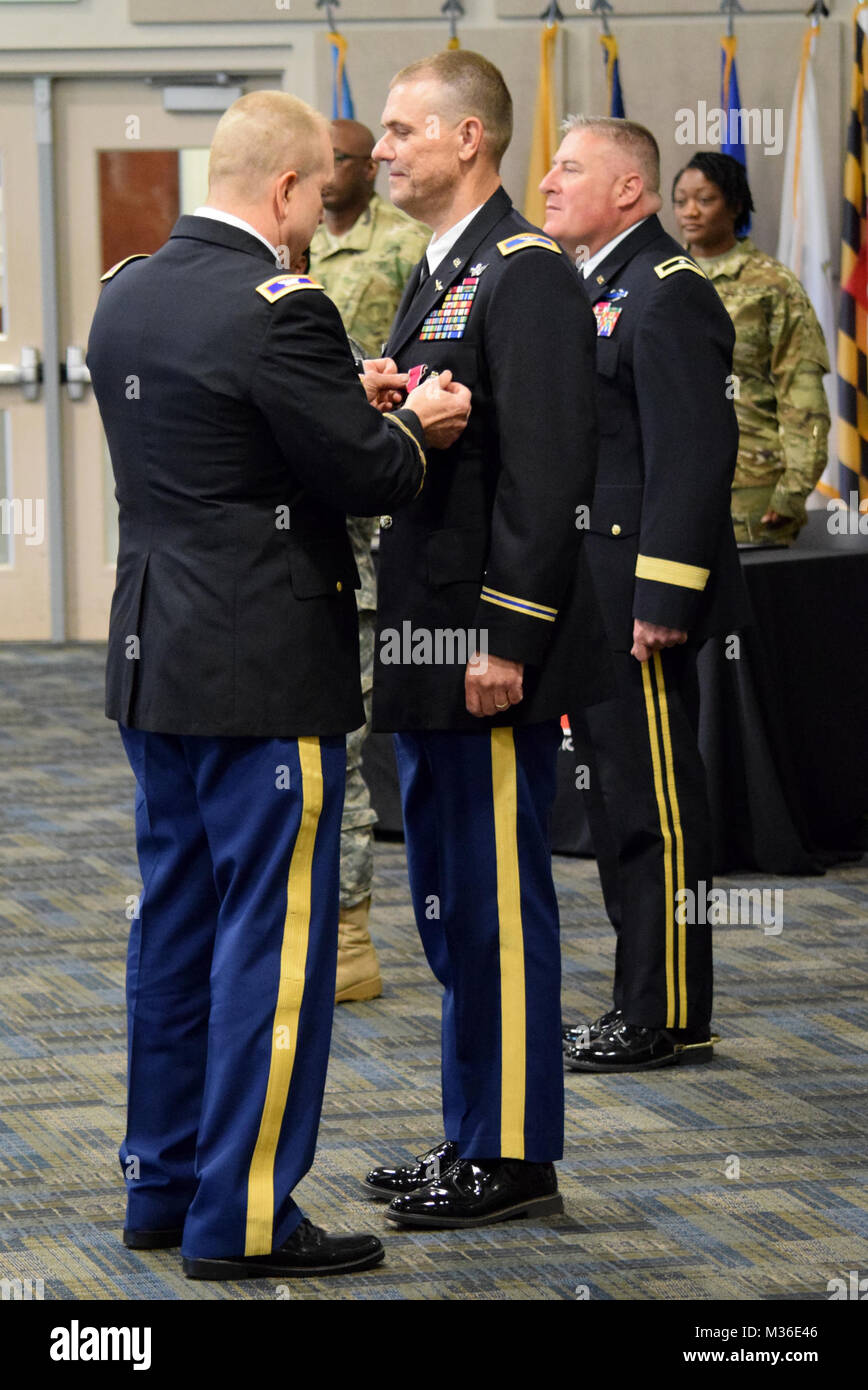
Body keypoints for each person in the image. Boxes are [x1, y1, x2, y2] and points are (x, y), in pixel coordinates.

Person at [86, 90, 470, 1279]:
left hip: (157, 655)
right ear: (291, 192)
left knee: (177, 925)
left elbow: (215, 436)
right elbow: (367, 479)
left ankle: (166, 1183)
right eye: (312, 197)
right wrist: (425, 429)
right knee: (273, 943)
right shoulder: (281, 304)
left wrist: (329, 398)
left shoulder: (126, 290)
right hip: (262, 668)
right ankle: (247, 1218)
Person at [361, 51, 609, 1228]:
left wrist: (508, 636)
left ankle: (513, 1152)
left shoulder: (527, 275)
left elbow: (552, 474)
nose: (382, 150)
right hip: (425, 638)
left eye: (405, 130)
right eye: (380, 136)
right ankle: (471, 1128)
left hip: (481, 649)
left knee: (496, 901)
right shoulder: (444, 271)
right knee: (447, 900)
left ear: (471, 138)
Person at [540, 116, 745, 1073]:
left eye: (569, 167)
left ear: (630, 190)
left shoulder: (668, 294)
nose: (547, 181)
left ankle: (666, 1015)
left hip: (638, 603)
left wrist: (663, 594)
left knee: (656, 807)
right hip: (591, 594)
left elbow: (695, 459)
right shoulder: (593, 286)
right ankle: (640, 1003)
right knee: (617, 801)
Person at [309, 119, 430, 1004]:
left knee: (340, 753)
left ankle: (348, 940)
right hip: (288, 573)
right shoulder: (279, 287)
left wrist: (380, 402)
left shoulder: (411, 247)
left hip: (357, 555)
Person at [672, 152, 830, 546]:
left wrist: (793, 489)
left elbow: (801, 391)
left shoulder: (773, 284)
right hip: (669, 487)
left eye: (705, 200)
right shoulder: (664, 278)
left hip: (750, 488)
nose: (690, 211)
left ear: (735, 204)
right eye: (680, 200)